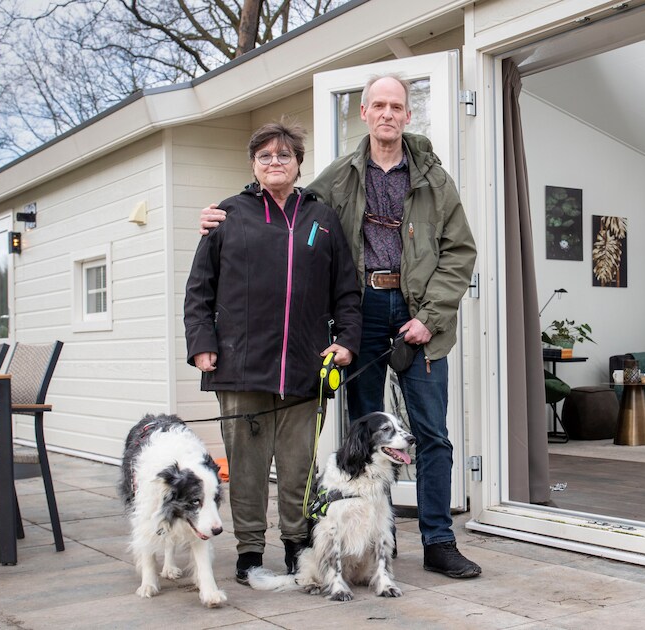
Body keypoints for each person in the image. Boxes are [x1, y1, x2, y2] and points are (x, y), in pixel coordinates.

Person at [200, 74, 480, 578]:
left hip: (420, 315)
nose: (388, 113)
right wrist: (226, 212)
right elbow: (287, 200)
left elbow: (459, 252)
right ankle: (371, 539)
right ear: (365, 113)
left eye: (397, 106)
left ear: (407, 114)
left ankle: (439, 540)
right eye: (379, 105)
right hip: (363, 309)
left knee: (432, 433)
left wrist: (430, 317)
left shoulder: (435, 180)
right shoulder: (341, 175)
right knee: (364, 438)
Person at [185, 121, 362, 586]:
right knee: (246, 467)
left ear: (299, 163)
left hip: (305, 367)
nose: (275, 162)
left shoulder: (322, 219)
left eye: (284, 155)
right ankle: (248, 552)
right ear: (253, 165)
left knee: (298, 467)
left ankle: (296, 546)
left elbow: (346, 290)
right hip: (240, 366)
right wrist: (202, 344)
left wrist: (347, 340)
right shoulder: (227, 215)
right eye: (264, 156)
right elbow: (199, 289)